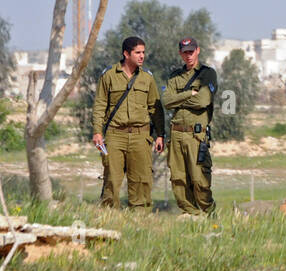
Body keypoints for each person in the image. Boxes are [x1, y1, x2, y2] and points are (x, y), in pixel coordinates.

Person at [93, 36, 165, 210]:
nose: (142, 56)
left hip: (141, 136)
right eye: (137, 52)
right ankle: (109, 218)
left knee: (141, 180)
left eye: (143, 52)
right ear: (126, 54)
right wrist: (97, 132)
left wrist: (161, 135)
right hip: (115, 135)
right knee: (112, 179)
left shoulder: (147, 78)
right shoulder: (109, 75)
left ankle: (140, 220)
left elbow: (156, 108)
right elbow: (100, 105)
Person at [161, 37, 217, 215]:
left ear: (198, 51)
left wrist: (178, 98)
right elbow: (166, 101)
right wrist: (188, 94)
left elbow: (203, 100)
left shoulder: (207, 74)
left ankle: (210, 214)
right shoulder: (174, 76)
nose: (189, 56)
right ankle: (192, 216)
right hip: (176, 134)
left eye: (191, 52)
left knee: (200, 180)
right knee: (178, 179)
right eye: (185, 52)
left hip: (196, 135)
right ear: (180, 54)